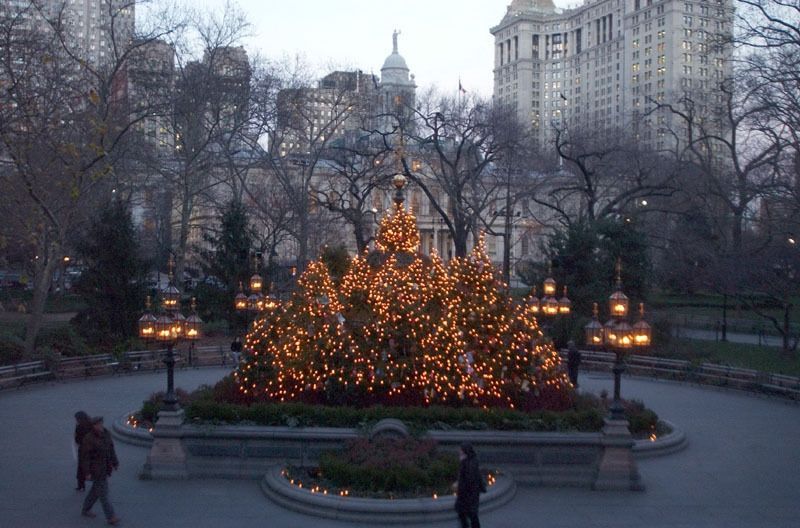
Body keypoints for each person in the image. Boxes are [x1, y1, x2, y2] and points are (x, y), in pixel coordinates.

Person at [79, 417, 120, 526]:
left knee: (95, 491)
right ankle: (111, 517)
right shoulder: (89, 438)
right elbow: (85, 457)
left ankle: (85, 509)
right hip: (96, 469)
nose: (101, 426)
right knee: (103, 494)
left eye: (101, 423)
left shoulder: (106, 434)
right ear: (93, 426)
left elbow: (111, 449)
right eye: (98, 424)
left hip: (105, 467)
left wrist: (115, 462)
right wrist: (87, 472)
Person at [455, 443, 486, 528]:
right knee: (469, 514)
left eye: (461, 450)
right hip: (470, 494)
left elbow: (469, 479)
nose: (459, 452)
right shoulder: (471, 461)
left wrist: (460, 487)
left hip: (468, 494)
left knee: (468, 514)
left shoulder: (468, 463)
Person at [73, 411, 92, 491]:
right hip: (92, 449)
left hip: (83, 450)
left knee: (81, 467)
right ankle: (97, 485)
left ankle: (81, 485)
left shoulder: (79, 427)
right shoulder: (91, 424)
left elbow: (77, 440)